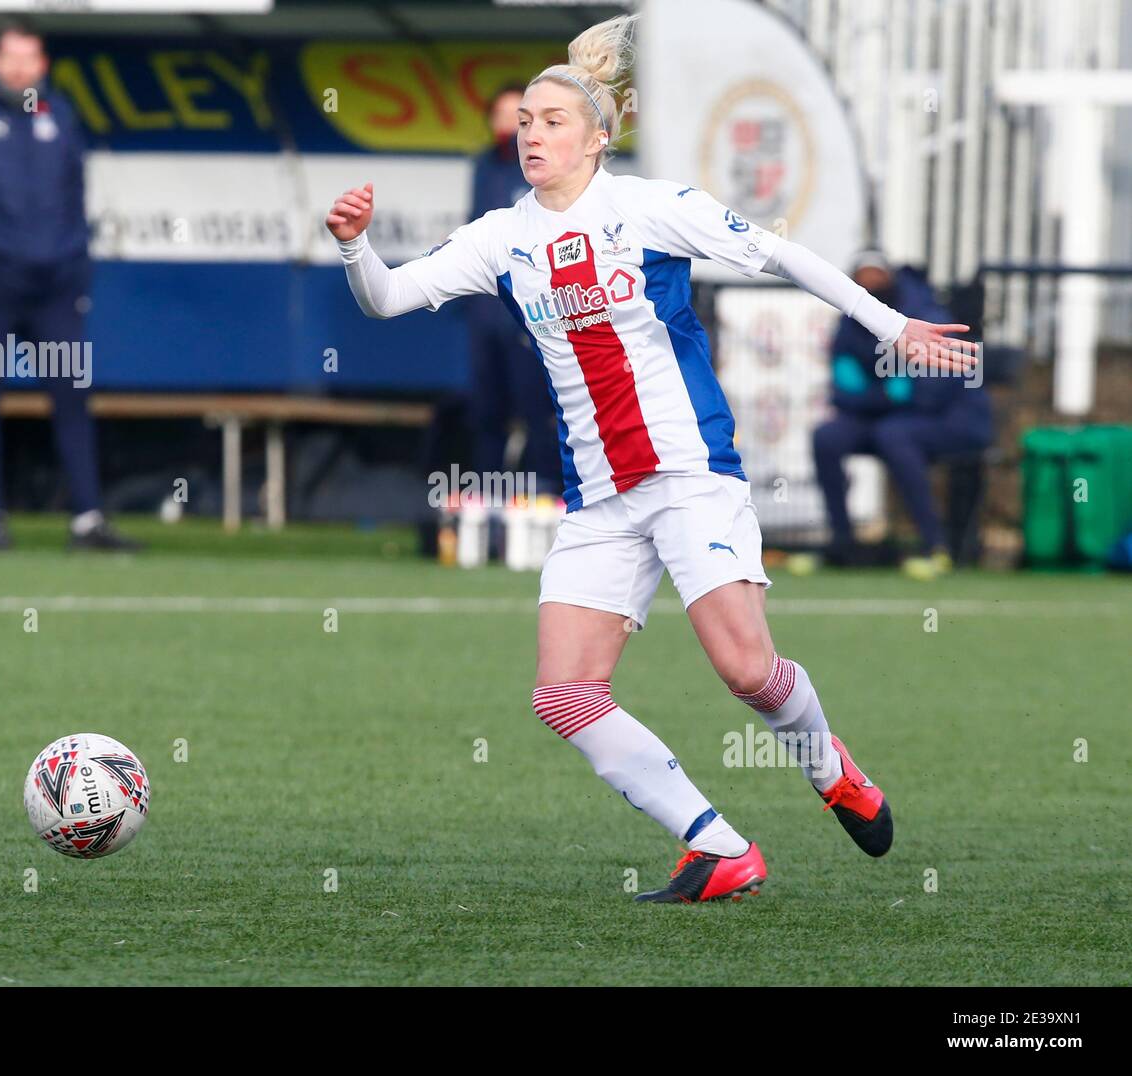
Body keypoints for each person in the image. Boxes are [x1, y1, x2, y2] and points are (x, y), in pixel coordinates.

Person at [326, 14, 976, 903]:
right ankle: (719, 849)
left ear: (599, 137)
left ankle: (832, 772)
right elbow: (388, 298)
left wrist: (894, 324)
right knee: (564, 694)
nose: (533, 135)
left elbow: (781, 255)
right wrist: (356, 244)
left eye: (553, 122)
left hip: (687, 475)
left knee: (747, 671)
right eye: (525, 123)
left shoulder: (652, 208)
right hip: (599, 499)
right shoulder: (501, 236)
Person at [0, 20, 138, 551]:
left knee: (70, 398)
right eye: (11, 59)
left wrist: (77, 265)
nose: (21, 69)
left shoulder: (57, 114)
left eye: (30, 60)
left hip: (55, 291)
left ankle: (86, 519)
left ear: (42, 65)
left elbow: (75, 192)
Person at [811, 251, 993, 578]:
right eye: (862, 280)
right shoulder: (850, 322)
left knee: (895, 436)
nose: (870, 285)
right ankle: (842, 544)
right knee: (827, 437)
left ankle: (934, 546)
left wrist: (882, 395)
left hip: (955, 419)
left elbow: (933, 390)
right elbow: (844, 391)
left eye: (877, 277)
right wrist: (890, 393)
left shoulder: (926, 314)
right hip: (889, 417)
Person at [465, 82, 561, 489]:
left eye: (518, 118)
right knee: (486, 412)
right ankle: (486, 507)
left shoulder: (548, 168)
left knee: (539, 413)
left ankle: (548, 500)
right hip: (489, 312)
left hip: (534, 313)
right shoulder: (485, 166)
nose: (510, 127)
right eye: (502, 117)